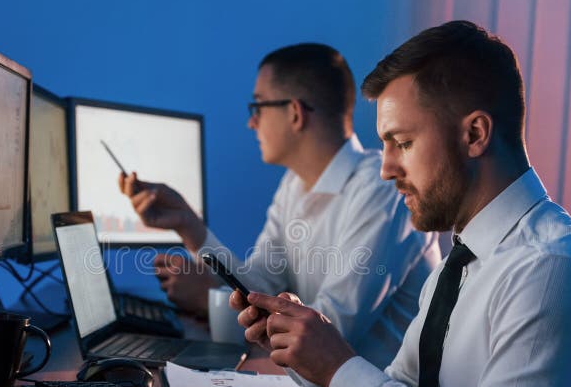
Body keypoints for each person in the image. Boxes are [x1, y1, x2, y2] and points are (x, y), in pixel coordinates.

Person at [234, 21, 571, 387]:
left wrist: (339, 368)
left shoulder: (555, 273)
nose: (385, 168)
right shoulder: (461, 264)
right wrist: (305, 352)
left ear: (475, 134)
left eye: (401, 143)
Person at [120, 43, 440, 369]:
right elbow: (261, 281)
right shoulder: (294, 185)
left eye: (258, 107)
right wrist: (188, 225)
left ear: (294, 113)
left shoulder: (383, 191)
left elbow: (332, 330)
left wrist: (208, 301)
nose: (251, 123)